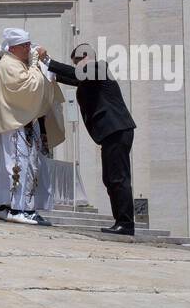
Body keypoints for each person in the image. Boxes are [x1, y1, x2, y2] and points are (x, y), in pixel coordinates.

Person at [43, 43, 137, 236]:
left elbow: (78, 75)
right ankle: (122, 221)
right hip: (112, 132)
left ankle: (125, 224)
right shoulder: (91, 76)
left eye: (76, 62)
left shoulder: (98, 67)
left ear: (84, 57)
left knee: (118, 178)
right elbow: (72, 78)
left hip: (116, 130)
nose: (76, 67)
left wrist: (48, 61)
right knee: (111, 178)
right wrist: (46, 70)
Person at [0, 28, 66, 225]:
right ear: (14, 47)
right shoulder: (9, 64)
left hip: (18, 123)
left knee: (15, 164)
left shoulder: (18, 62)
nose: (29, 48)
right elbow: (30, 86)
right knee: (20, 165)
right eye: (25, 46)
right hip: (15, 125)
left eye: (29, 44)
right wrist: (37, 63)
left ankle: (5, 206)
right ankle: (19, 208)